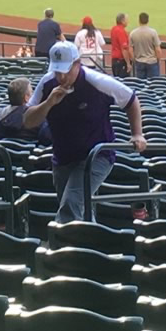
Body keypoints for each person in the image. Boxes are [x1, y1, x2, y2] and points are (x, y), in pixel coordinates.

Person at [24, 40, 147, 222]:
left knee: (70, 206)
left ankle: (61, 245)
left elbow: (131, 100)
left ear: (77, 63)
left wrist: (137, 133)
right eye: (58, 71)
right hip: (63, 157)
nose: (62, 77)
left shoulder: (97, 82)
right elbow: (28, 121)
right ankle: (92, 246)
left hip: (96, 155)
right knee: (80, 210)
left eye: (66, 70)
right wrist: (49, 103)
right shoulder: (47, 84)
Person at [128, 13, 161, 79]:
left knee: (140, 84)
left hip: (139, 61)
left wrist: (135, 60)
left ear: (139, 20)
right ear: (148, 20)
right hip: (152, 62)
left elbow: (130, 50)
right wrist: (158, 60)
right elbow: (158, 49)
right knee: (153, 84)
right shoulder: (153, 32)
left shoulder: (133, 33)